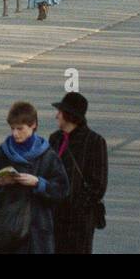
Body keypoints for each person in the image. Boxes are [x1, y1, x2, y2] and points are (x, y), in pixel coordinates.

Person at [0, 101, 70, 254]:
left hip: (38, 229)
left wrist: (39, 183)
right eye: (12, 128)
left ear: (33, 125)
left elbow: (63, 189)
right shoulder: (0, 153)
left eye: (20, 129)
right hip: (6, 228)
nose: (15, 134)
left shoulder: (47, 155)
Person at [48, 92, 108, 255]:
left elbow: (98, 185)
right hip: (55, 217)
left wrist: (78, 209)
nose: (56, 116)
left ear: (69, 115)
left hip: (78, 222)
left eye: (60, 112)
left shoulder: (94, 141)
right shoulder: (55, 139)